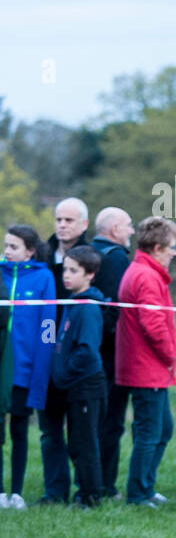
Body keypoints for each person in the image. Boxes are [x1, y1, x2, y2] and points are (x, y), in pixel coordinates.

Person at [116, 216, 176, 508]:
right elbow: (153, 325)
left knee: (163, 429)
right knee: (149, 433)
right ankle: (138, 494)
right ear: (157, 248)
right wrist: (169, 356)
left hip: (149, 368)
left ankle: (146, 486)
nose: (174, 252)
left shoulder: (146, 271)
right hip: (146, 368)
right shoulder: (146, 275)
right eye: (172, 247)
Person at [37, 197, 91, 504]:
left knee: (83, 434)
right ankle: (54, 492)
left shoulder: (92, 258)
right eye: (58, 219)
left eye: (69, 220)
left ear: (83, 224)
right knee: (50, 431)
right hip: (46, 353)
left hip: (79, 358)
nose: (62, 225)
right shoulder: (43, 256)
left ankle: (88, 492)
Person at [1, 225, 55, 510]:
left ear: (30, 251)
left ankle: (17, 492)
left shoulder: (44, 277)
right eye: (5, 245)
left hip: (24, 369)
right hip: (0, 371)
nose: (7, 251)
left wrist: (42, 362)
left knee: (19, 431)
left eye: (13, 247)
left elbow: (48, 325)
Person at [49, 247, 107, 508]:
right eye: (65, 269)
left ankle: (91, 496)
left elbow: (87, 350)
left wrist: (64, 372)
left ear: (90, 274)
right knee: (76, 443)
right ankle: (83, 491)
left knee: (85, 444)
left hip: (86, 386)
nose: (67, 276)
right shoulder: (73, 302)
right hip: (74, 386)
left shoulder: (88, 308)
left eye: (74, 271)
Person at [91, 207, 133, 500]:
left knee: (91, 420)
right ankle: (105, 485)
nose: (131, 231)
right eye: (128, 226)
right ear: (115, 229)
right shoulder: (117, 258)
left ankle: (91, 481)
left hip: (88, 349)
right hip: (111, 352)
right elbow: (118, 306)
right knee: (111, 421)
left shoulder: (87, 251)